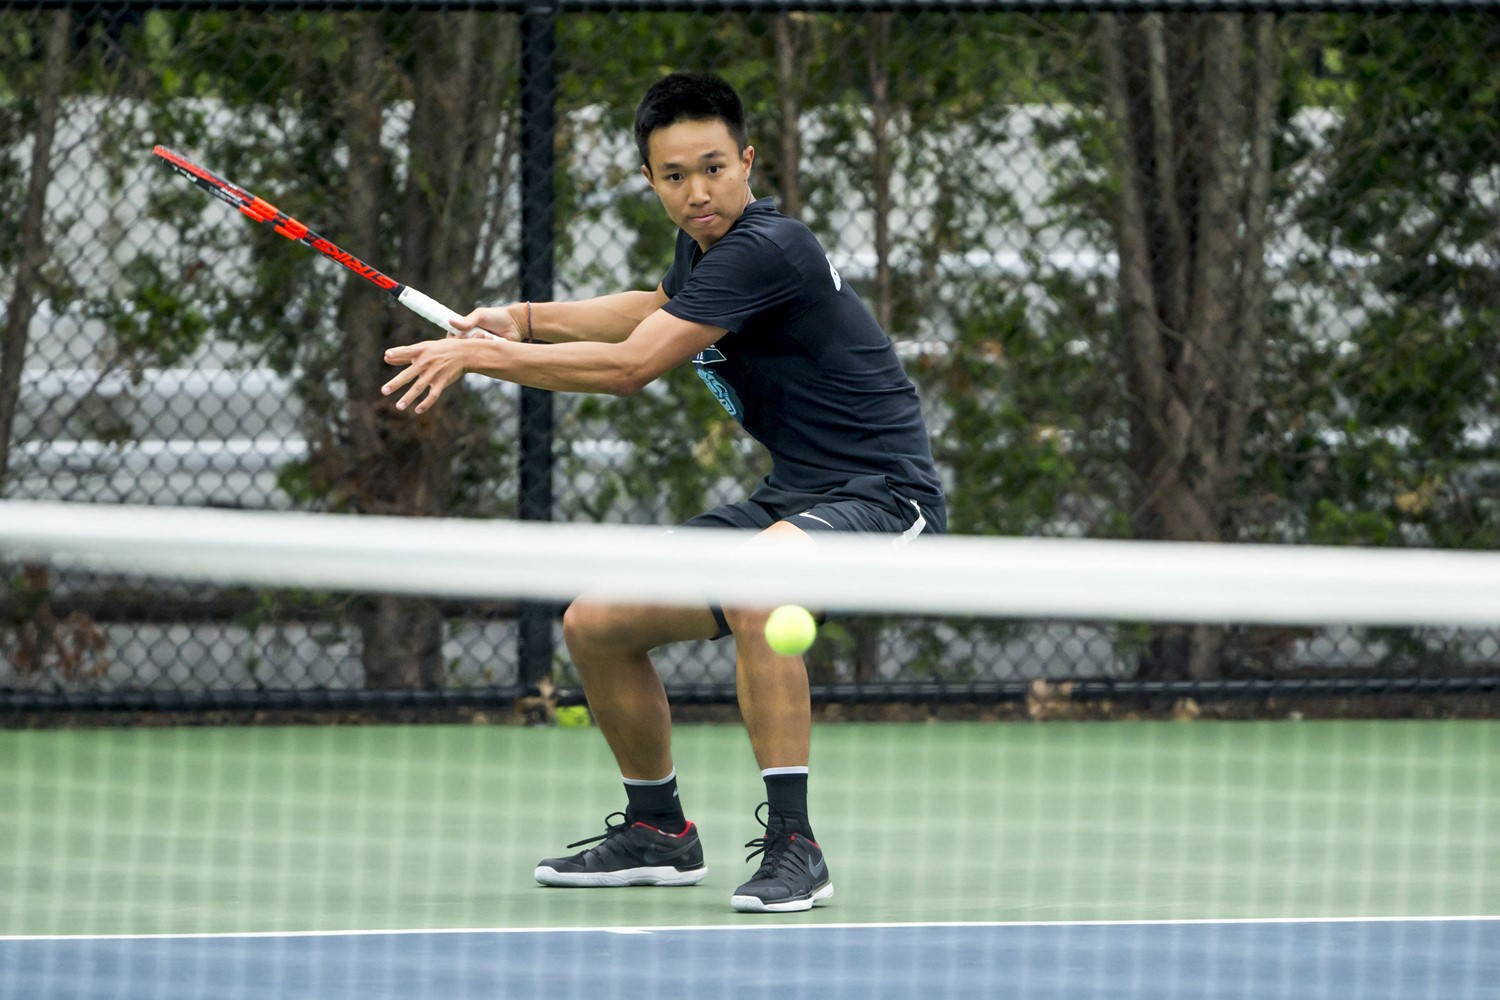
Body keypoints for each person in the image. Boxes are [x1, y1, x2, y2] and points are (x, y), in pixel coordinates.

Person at [381, 71, 946, 913]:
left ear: (748, 160)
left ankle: (797, 846)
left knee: (760, 583)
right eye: (675, 176)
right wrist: (521, 318)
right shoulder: (706, 254)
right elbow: (649, 308)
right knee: (597, 622)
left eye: (714, 167)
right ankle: (659, 832)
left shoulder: (769, 246)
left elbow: (632, 364)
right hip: (791, 497)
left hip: (884, 495)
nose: (697, 191)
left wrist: (481, 357)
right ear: (652, 180)